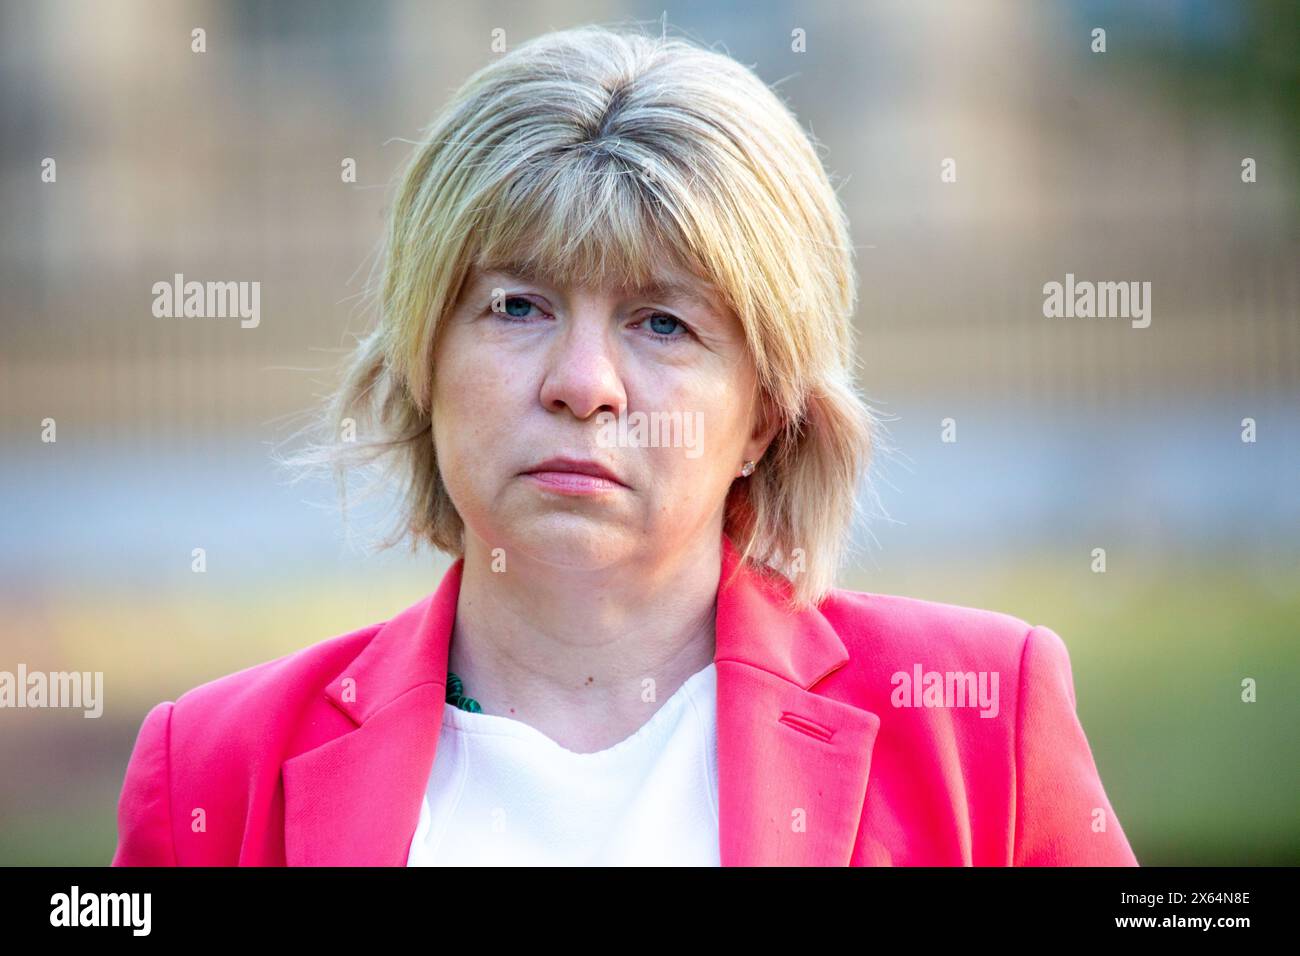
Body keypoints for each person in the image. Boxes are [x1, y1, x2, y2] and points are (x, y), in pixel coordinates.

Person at [111, 23, 1138, 866]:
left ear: (765, 414)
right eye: (516, 305)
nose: (582, 384)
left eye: (662, 323)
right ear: (423, 358)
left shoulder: (978, 720)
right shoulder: (209, 768)